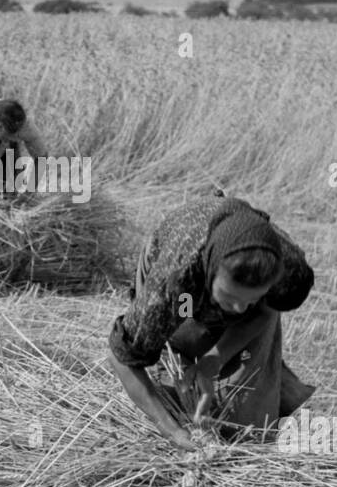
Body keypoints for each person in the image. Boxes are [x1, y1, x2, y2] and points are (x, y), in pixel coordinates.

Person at [107, 192, 316, 450]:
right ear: (211, 273)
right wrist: (171, 431)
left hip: (223, 265)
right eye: (229, 296)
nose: (239, 309)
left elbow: (264, 311)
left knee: (248, 427)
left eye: (250, 300)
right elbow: (122, 356)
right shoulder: (175, 282)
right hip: (183, 280)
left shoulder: (287, 272)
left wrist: (214, 359)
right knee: (174, 386)